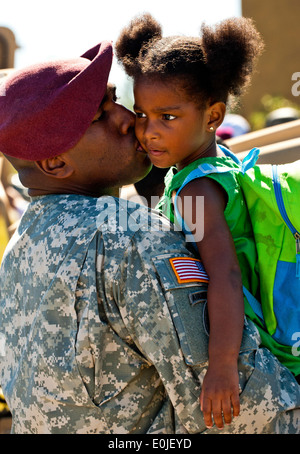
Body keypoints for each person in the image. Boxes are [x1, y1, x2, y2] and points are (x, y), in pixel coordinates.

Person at [0, 42, 299, 435]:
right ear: (55, 163)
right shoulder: (130, 237)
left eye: (115, 101)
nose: (129, 120)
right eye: (100, 115)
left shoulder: (19, 244)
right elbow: (242, 407)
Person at [115, 13, 300, 424]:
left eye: (169, 116)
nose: (149, 132)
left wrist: (221, 366)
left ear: (213, 117)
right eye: (142, 114)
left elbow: (225, 275)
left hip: (246, 348)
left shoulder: (195, 189)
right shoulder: (221, 166)